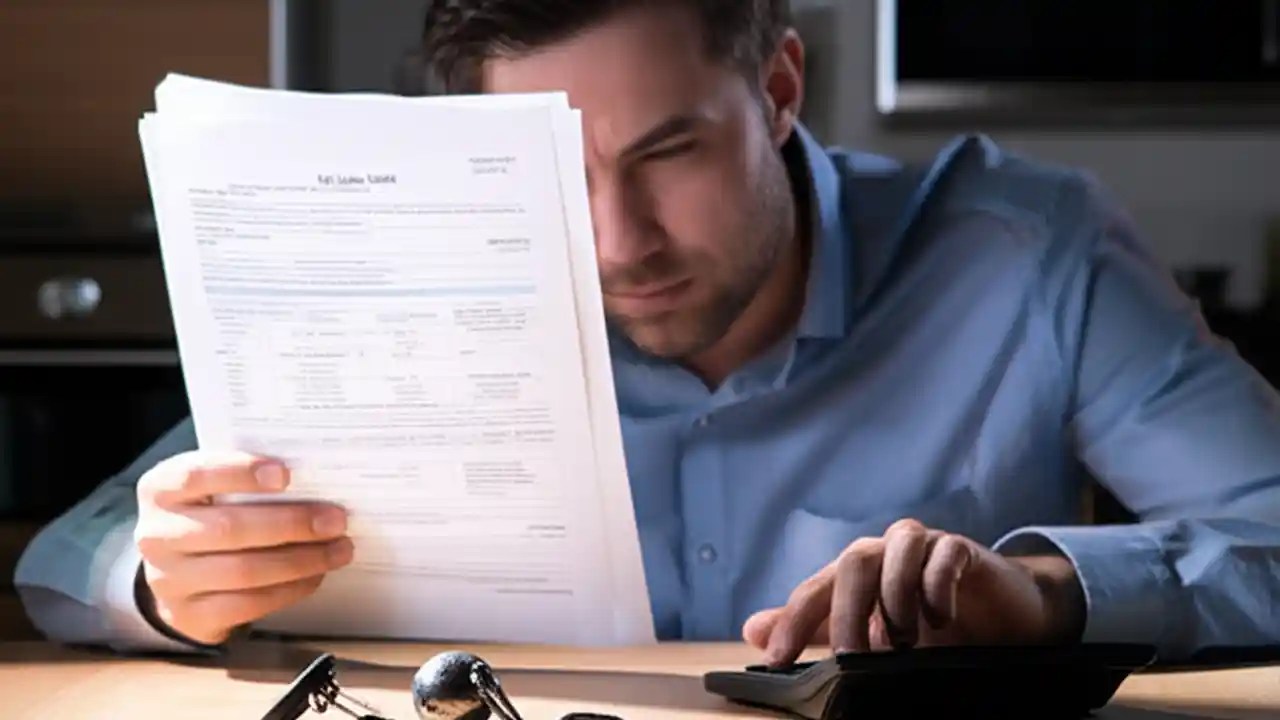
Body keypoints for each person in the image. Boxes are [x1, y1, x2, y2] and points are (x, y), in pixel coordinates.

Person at [15, 0, 1280, 665]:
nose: (618, 240)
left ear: (778, 89)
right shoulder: (420, 270)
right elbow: (75, 564)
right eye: (552, 166)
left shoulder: (1030, 248)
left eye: (670, 151)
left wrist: (1048, 597)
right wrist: (167, 579)